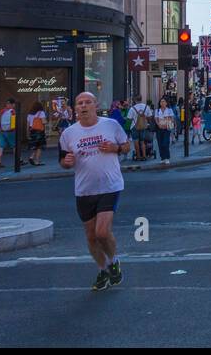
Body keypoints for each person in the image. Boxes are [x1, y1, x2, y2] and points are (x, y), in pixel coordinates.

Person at [58, 91, 131, 291]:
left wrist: (115, 148)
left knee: (101, 232)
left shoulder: (110, 125)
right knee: (90, 236)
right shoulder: (68, 134)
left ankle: (114, 260)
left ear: (95, 105)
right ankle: (103, 269)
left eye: (87, 102)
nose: (83, 106)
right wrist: (66, 162)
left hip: (110, 185)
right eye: (80, 103)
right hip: (84, 189)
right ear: (75, 108)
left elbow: (126, 146)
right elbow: (63, 161)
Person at [128, 96, 154, 161]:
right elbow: (150, 117)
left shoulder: (132, 108)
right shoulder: (146, 107)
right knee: (142, 142)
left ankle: (138, 156)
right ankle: (144, 156)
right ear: (141, 99)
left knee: (136, 142)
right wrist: (145, 118)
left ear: (135, 100)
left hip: (134, 126)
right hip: (143, 126)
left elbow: (129, 118)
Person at [0, 99, 16, 168]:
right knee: (14, 146)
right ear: (13, 104)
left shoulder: (2, 111)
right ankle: (18, 160)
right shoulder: (12, 111)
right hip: (10, 131)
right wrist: (12, 128)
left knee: (1, 146)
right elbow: (13, 123)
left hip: (2, 131)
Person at [26, 101, 48, 166]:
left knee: (35, 146)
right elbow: (44, 122)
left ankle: (31, 157)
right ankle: (36, 161)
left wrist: (27, 133)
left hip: (32, 131)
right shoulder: (41, 113)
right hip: (39, 131)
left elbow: (28, 125)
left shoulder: (29, 114)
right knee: (39, 147)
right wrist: (46, 120)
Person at [154, 98, 175, 164]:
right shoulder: (157, 110)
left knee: (165, 143)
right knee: (160, 143)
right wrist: (159, 125)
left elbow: (172, 119)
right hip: (159, 128)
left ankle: (167, 157)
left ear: (166, 103)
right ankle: (162, 157)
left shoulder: (169, 110)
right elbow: (156, 119)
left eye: (164, 101)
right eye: (161, 102)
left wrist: (167, 124)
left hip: (166, 128)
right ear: (159, 103)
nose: (162, 103)